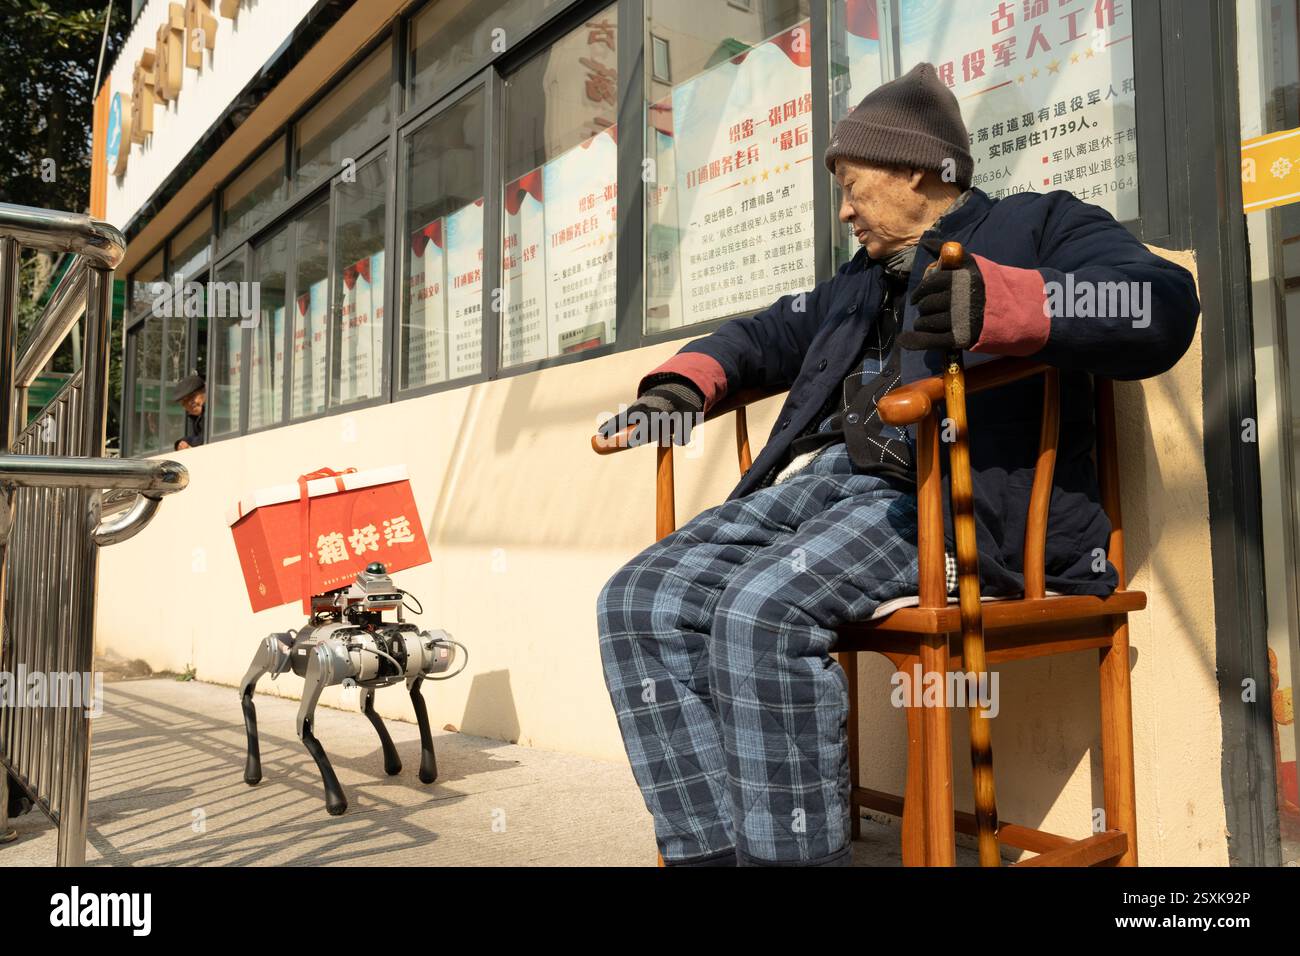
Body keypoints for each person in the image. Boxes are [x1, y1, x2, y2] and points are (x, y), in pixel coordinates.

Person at [595, 62, 1201, 867]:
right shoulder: (854, 282)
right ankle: (710, 855)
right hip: (830, 487)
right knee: (638, 599)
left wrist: (1006, 304)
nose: (844, 210)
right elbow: (762, 335)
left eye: (852, 187)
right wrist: (679, 387)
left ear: (916, 169)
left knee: (761, 611)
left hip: (955, 501)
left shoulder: (1036, 224)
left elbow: (1159, 302)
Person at [171, 372, 206, 450]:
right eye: (185, 401)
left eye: (193, 396)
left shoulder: (214, 413)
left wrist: (187, 442)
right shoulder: (196, 419)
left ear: (204, 391)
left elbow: (204, 438)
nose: (190, 403)